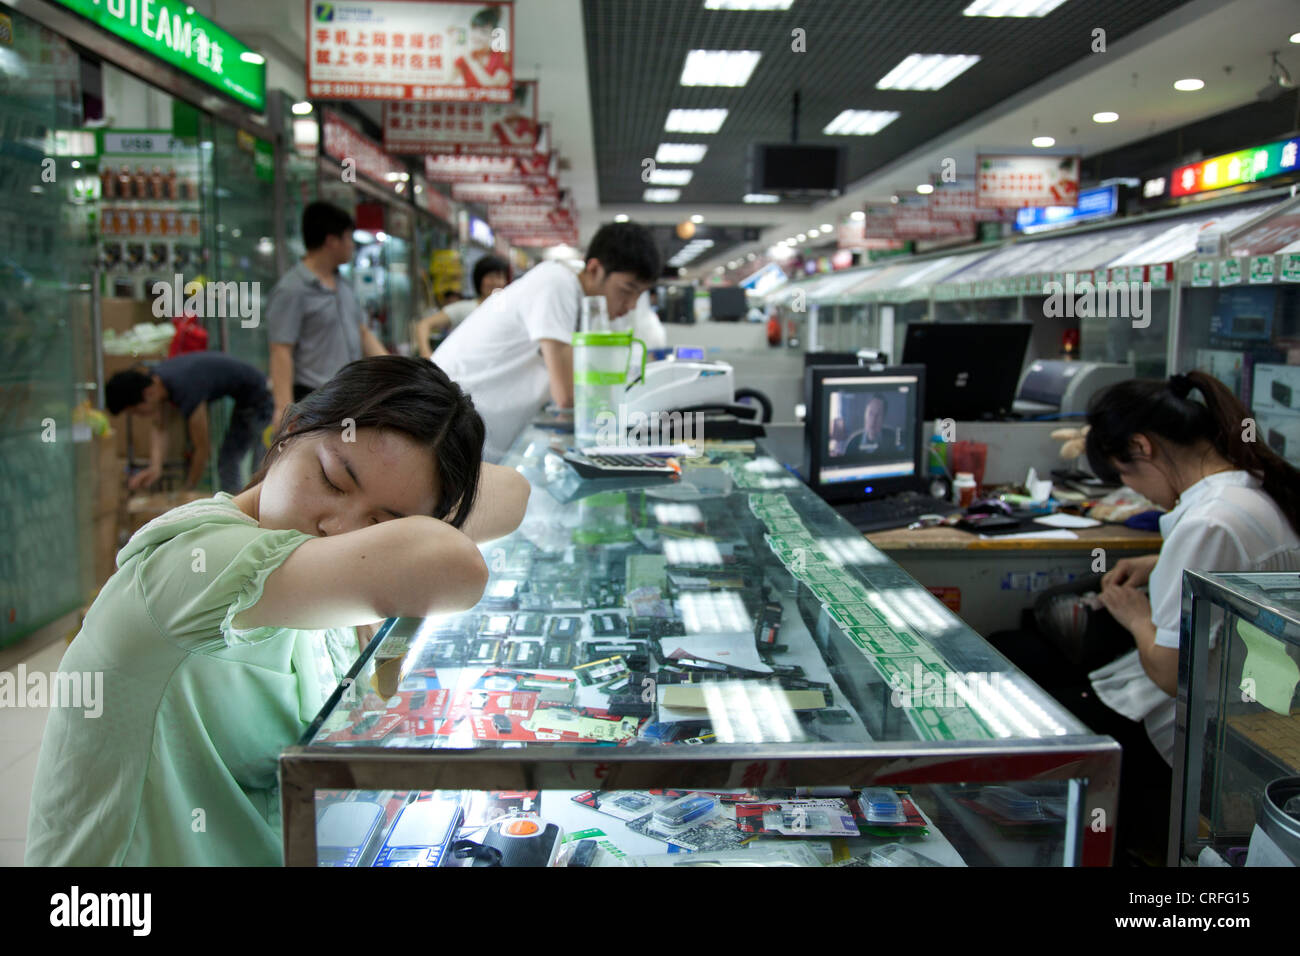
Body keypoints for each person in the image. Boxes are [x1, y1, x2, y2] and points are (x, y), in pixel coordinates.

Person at [26, 356, 530, 865]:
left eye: (382, 523)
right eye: (334, 480)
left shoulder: (308, 578)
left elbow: (516, 493)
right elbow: (457, 568)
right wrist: (407, 527)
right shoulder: (197, 564)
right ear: (289, 431)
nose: (339, 530)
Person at [1084, 371, 1300, 761]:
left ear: (1141, 446)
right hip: (1262, 698)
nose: (1133, 490)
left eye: (1124, 474)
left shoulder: (1207, 524)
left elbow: (1170, 675)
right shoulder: (1249, 487)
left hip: (1216, 730)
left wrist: (1135, 616)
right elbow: (1246, 561)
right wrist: (1161, 562)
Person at [432, 221, 661, 462]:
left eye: (640, 294)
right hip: (444, 432)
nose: (632, 305)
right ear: (594, 269)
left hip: (476, 440)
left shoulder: (582, 305)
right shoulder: (557, 283)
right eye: (627, 290)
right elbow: (568, 396)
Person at [266, 201, 388, 428]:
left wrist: (396, 371)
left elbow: (362, 333)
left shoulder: (343, 285)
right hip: (314, 401)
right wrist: (283, 408)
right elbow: (281, 349)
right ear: (331, 241)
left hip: (348, 397)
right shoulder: (293, 289)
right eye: (349, 238)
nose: (352, 245)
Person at [106, 353, 274, 494]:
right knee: (227, 462)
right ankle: (236, 509)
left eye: (136, 411)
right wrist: (155, 468)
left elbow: (202, 447)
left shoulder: (185, 387)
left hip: (262, 397)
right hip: (246, 400)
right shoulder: (157, 378)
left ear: (147, 394)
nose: (140, 416)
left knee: (261, 469)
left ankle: (257, 514)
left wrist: (188, 489)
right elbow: (159, 426)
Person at [412, 255, 510, 358]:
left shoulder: (508, 310)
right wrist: (426, 354)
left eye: (499, 277)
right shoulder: (465, 308)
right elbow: (424, 324)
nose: (495, 282)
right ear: (479, 279)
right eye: (490, 277)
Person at [455, 5, 512, 89]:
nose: (477, 36)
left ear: (493, 35)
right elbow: (446, 81)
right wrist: (451, 47)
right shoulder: (465, 57)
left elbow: (492, 86)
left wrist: (471, 61)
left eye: (483, 32)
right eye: (474, 30)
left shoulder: (504, 56)